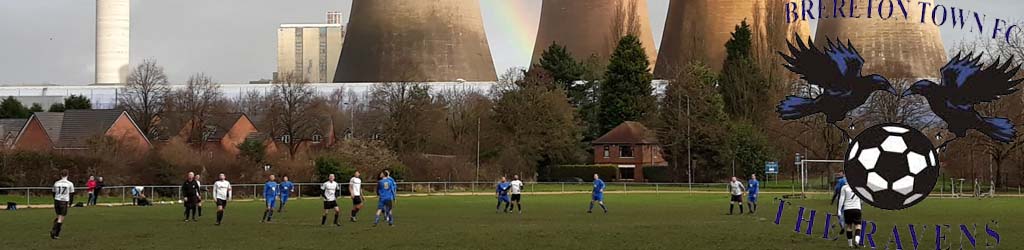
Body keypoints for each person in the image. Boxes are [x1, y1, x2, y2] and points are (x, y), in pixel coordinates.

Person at [838, 182, 863, 248]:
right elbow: (862, 199)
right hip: (857, 209)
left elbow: (841, 199)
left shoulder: (844, 187)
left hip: (847, 209)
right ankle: (857, 241)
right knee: (858, 226)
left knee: (849, 226)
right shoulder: (859, 186)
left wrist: (839, 210)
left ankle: (850, 245)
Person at [51, 169, 74, 239]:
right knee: (61, 218)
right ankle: (54, 231)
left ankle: (56, 234)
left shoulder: (56, 183)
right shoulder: (70, 184)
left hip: (57, 200)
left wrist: (56, 198)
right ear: (67, 175)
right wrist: (70, 203)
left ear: (61, 175)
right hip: (64, 202)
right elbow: (71, 194)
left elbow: (53, 192)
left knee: (58, 217)